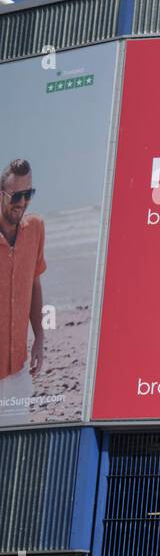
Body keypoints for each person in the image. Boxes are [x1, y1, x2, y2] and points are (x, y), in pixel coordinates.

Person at [0, 159, 45, 408]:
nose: (23, 203)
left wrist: (39, 337)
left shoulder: (36, 228)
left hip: (19, 370)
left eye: (29, 194)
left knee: (20, 446)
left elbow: (34, 284)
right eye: (16, 196)